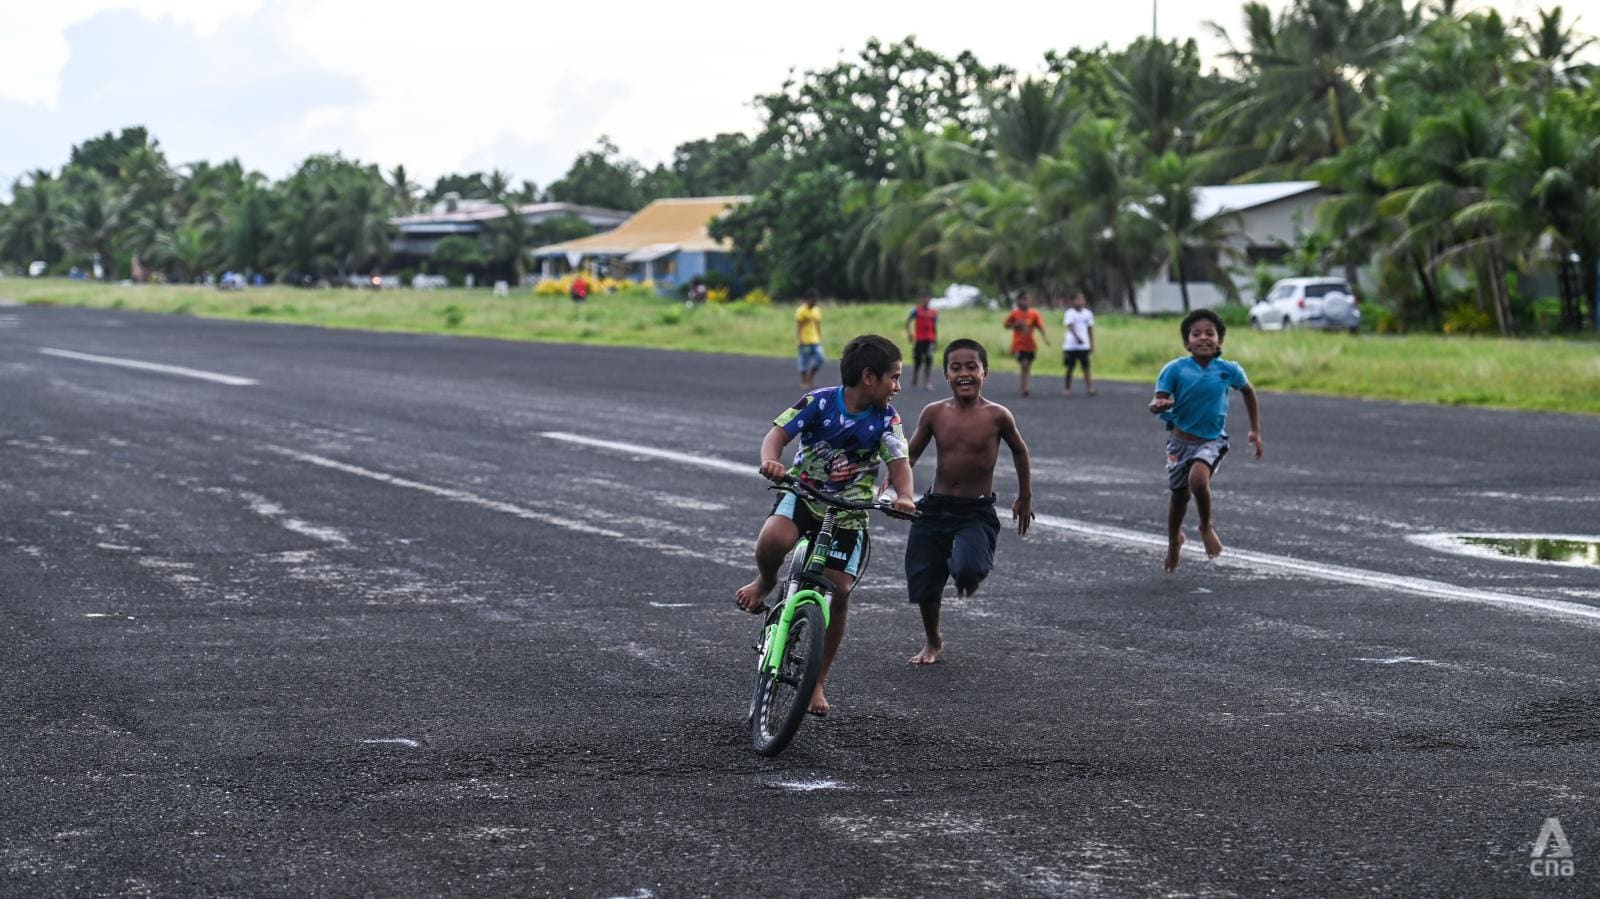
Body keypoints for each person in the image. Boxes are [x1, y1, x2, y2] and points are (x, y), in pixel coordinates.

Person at [736, 335, 916, 715]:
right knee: (774, 539)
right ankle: (765, 581)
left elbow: (899, 463)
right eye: (894, 377)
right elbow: (778, 434)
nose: (898, 387)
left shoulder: (887, 418)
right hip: (804, 493)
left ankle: (816, 680)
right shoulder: (819, 401)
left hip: (848, 512)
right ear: (869, 377)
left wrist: (905, 496)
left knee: (839, 591)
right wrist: (772, 460)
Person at [902, 339, 1034, 664]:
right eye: (956, 367)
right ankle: (933, 639)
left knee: (968, 569)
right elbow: (911, 452)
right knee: (924, 577)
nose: (964, 373)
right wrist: (896, 479)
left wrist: (1024, 495)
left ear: (985, 372)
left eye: (972, 367)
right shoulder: (934, 413)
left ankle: (966, 572)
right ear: (946, 374)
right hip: (935, 507)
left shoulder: (997, 415)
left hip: (975, 510)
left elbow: (1020, 451)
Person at [1148, 309, 1263, 573]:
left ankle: (1205, 526)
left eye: (1210, 333)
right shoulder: (1175, 369)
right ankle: (1174, 540)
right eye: (1196, 334)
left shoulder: (1228, 370)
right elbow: (1156, 401)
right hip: (1179, 444)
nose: (1203, 338)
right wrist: (1158, 405)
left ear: (1219, 341)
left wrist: (1255, 430)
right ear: (1186, 342)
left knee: (1198, 481)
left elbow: (1248, 391)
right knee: (1179, 498)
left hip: (1212, 440)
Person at [1002, 291, 1047, 397]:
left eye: (1028, 299)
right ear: (1019, 301)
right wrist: (1015, 324)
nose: (1026, 302)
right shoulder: (1015, 313)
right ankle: (1025, 387)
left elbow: (1040, 326)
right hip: (1018, 344)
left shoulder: (1034, 314)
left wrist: (1045, 338)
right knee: (1024, 364)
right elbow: (1006, 324)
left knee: (1027, 366)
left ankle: (1024, 385)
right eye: (1024, 299)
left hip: (1030, 345)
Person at [1061, 289, 1096, 396]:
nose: (1080, 301)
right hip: (1071, 346)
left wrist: (1091, 344)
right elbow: (1070, 326)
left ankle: (1089, 388)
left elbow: (1090, 329)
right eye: (1078, 299)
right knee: (1070, 367)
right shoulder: (1070, 313)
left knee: (1086, 367)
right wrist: (1077, 338)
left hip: (1084, 346)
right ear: (1073, 301)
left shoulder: (1088, 314)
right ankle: (1067, 388)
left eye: (1082, 299)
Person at [905, 292, 939, 390]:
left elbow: (934, 326)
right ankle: (915, 377)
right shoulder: (916, 311)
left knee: (929, 359)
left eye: (928, 298)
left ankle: (927, 381)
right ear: (920, 299)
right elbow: (908, 322)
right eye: (924, 298)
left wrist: (935, 339)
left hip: (930, 339)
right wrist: (910, 334)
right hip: (920, 339)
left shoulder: (934, 312)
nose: (926, 300)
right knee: (918, 359)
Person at [795, 289, 825, 390]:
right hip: (805, 341)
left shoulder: (817, 310)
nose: (815, 302)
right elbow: (799, 326)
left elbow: (817, 325)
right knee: (804, 361)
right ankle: (804, 381)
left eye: (816, 300)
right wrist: (800, 340)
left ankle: (810, 377)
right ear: (808, 299)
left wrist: (820, 337)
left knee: (820, 358)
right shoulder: (801, 311)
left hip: (815, 340)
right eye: (813, 300)